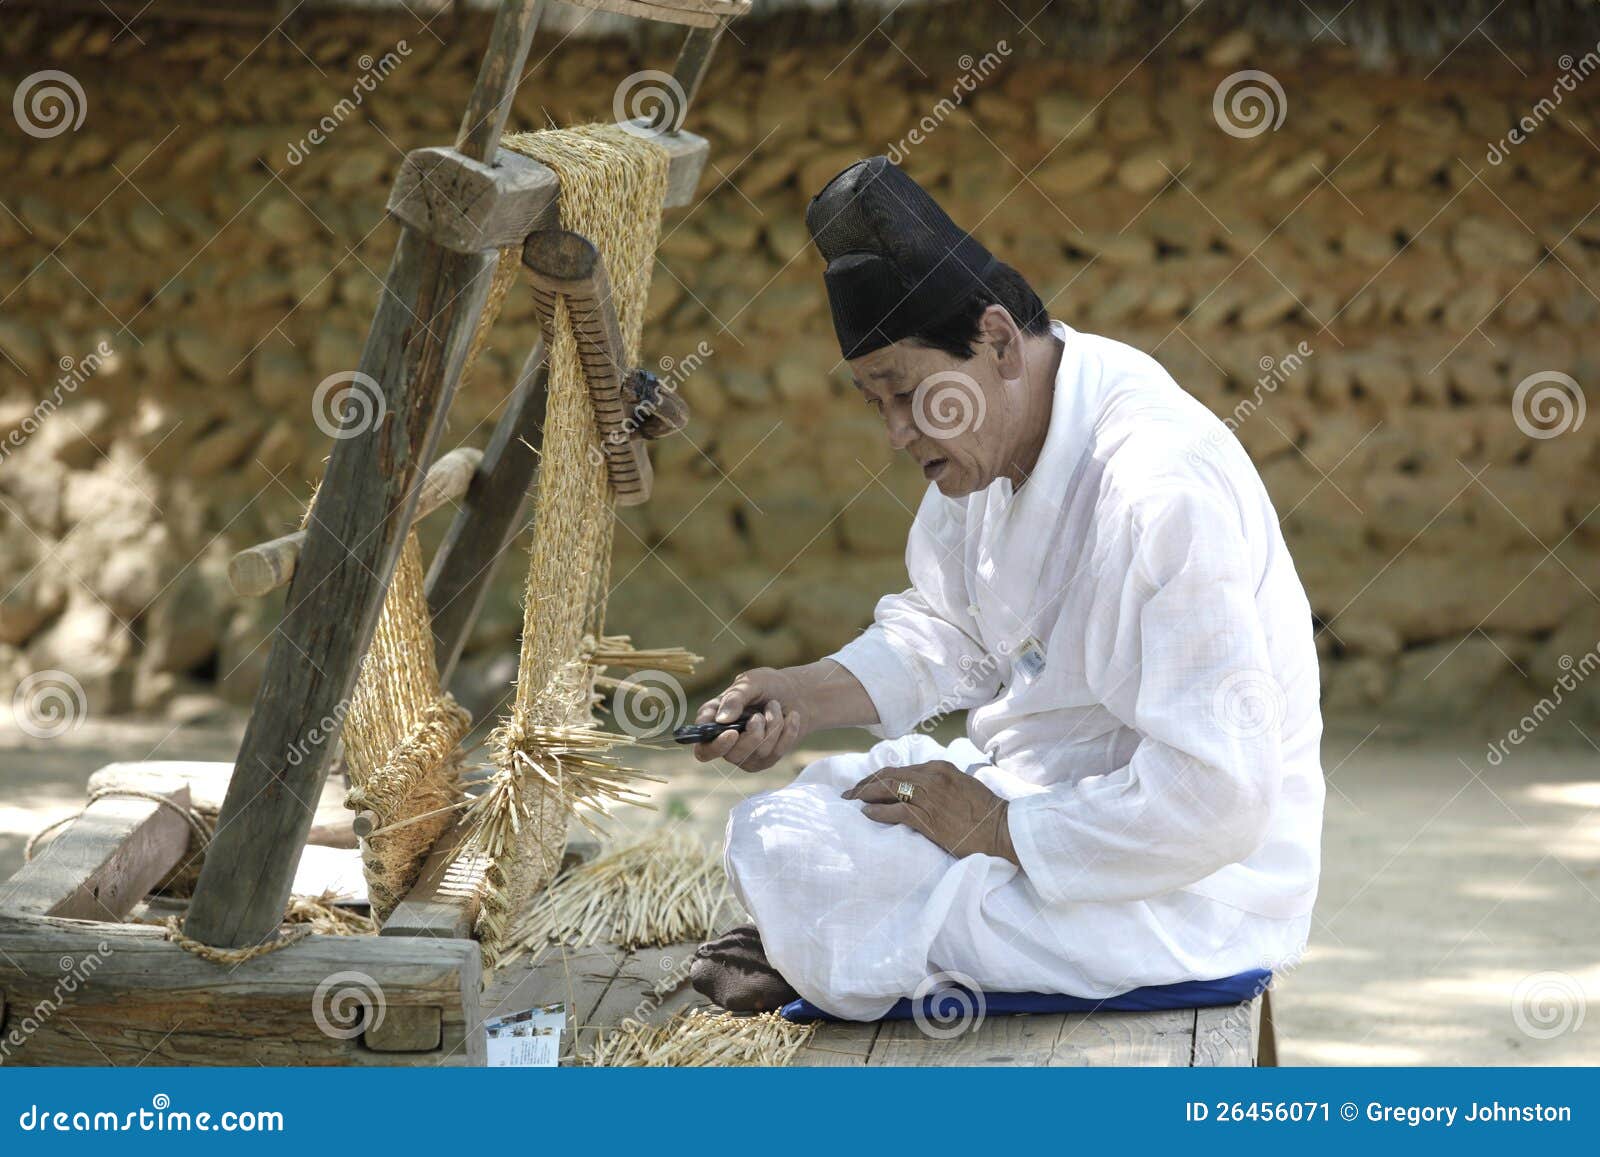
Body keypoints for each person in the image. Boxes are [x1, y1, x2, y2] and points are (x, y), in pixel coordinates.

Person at [687, 156, 1325, 1020]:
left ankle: (844, 945)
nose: (895, 433)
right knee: (798, 819)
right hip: (1040, 801)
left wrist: (995, 829)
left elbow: (1219, 796)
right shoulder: (984, 449)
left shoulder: (1159, 488)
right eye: (875, 402)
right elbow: (944, 633)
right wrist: (799, 692)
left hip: (1192, 884)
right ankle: (847, 937)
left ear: (996, 341)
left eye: (909, 395)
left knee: (828, 872)